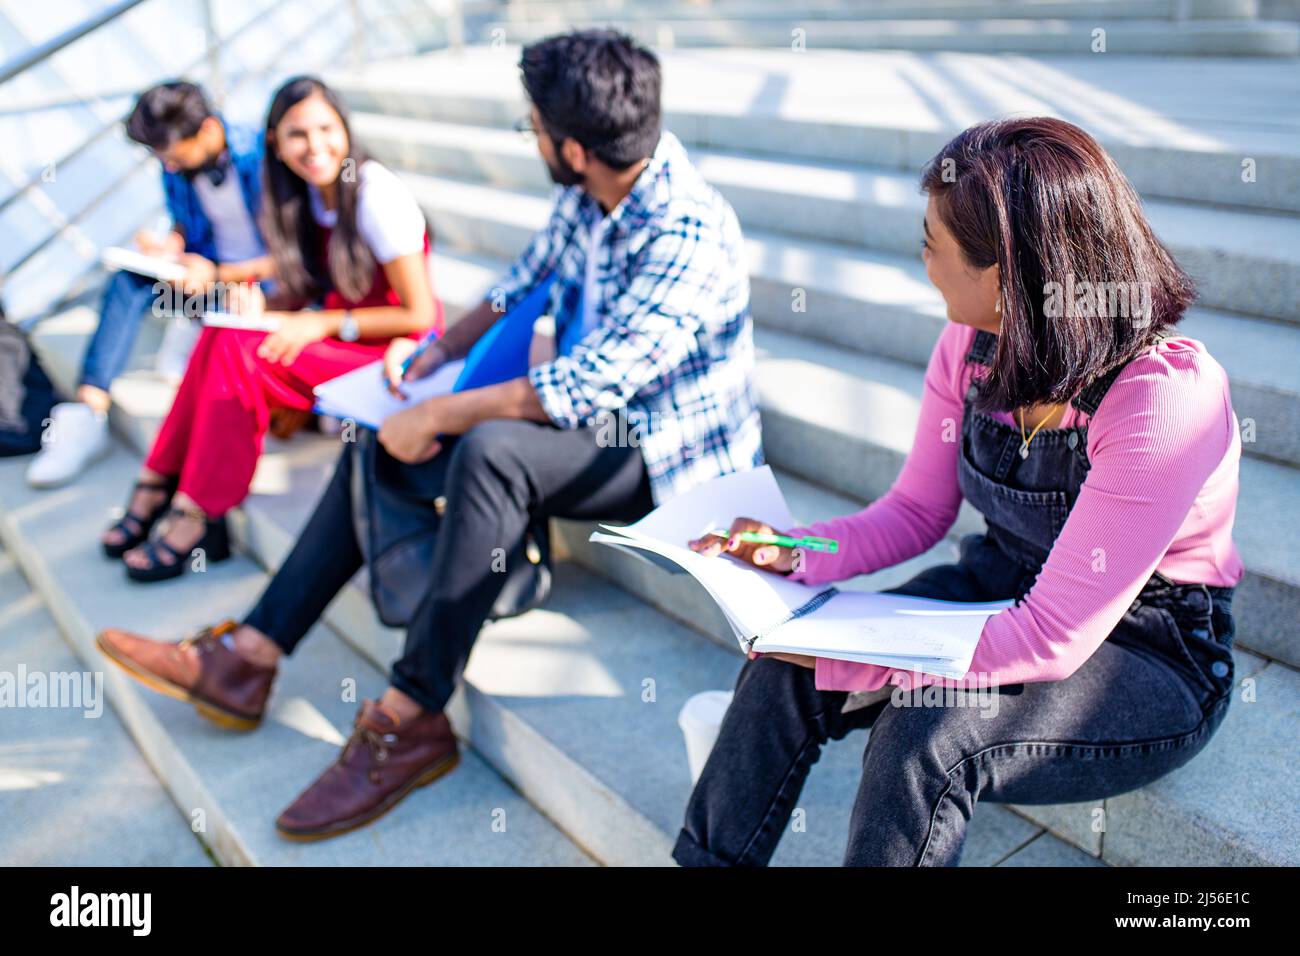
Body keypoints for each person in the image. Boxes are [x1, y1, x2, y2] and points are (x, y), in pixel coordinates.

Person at [96, 29, 762, 840]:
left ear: (575, 147)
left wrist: (442, 411)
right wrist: (434, 355)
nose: (532, 137)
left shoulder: (685, 228)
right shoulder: (598, 182)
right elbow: (527, 279)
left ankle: (411, 712)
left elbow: (595, 386)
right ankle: (250, 658)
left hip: (663, 446)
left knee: (487, 451)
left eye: (535, 128)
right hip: (590, 408)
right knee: (383, 428)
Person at [674, 117, 1244, 867]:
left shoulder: (1164, 399)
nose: (923, 260)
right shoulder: (972, 345)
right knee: (784, 664)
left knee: (925, 732)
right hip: (1004, 579)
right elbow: (915, 512)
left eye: (933, 244)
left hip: (1147, 649)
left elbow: (1050, 636)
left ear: (1008, 276)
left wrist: (855, 660)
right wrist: (789, 551)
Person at [99, 76, 444, 582]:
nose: (315, 146)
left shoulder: (374, 195)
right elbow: (312, 282)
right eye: (297, 135)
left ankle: (197, 508)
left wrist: (317, 323)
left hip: (400, 360)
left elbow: (420, 316)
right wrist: (265, 303)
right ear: (274, 145)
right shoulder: (303, 198)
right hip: (345, 340)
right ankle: (160, 478)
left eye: (326, 129)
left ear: (345, 129)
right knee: (225, 330)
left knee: (242, 350)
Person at [27, 81, 272, 488]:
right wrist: (168, 246)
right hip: (203, 278)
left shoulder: (263, 158)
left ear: (209, 130)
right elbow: (186, 223)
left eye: (174, 156)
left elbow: (295, 254)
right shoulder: (176, 163)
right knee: (127, 281)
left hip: (258, 285)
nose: (168, 165)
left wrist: (219, 274)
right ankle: (89, 410)